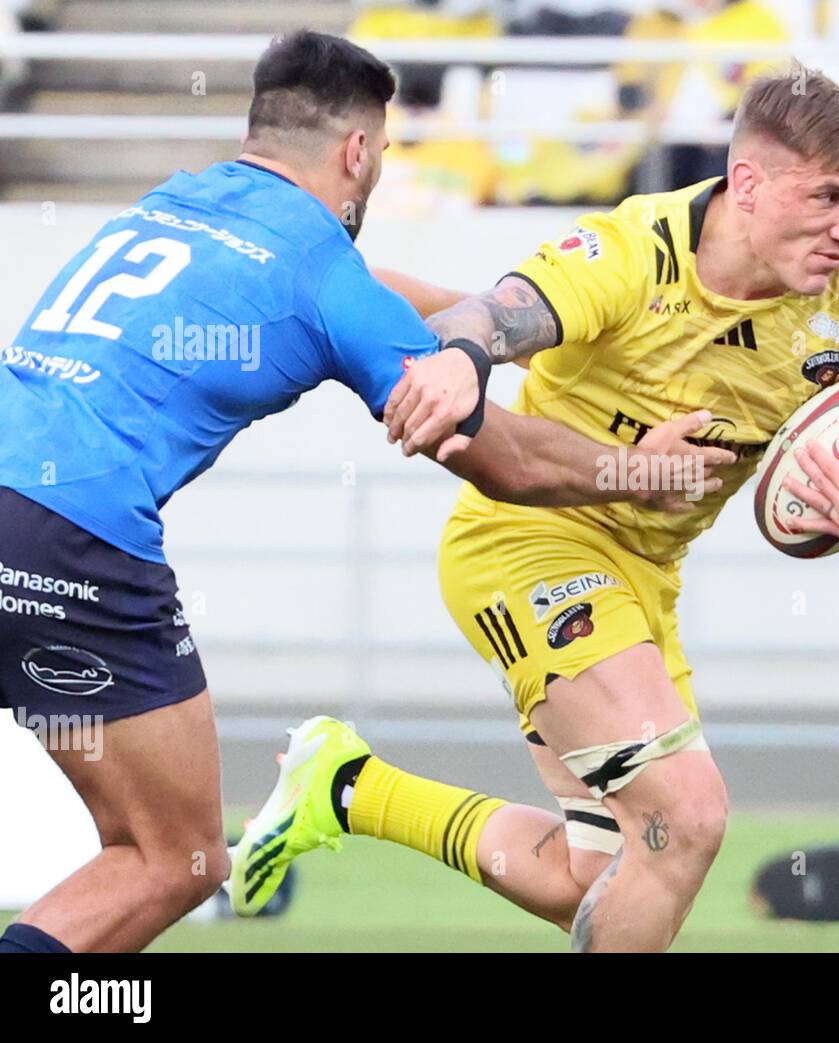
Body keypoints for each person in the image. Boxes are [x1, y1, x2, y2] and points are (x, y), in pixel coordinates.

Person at [0, 30, 728, 955]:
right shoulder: (320, 270)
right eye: (379, 157)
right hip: (70, 541)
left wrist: (543, 319)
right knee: (172, 856)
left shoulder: (178, 202)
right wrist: (646, 470)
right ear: (357, 152)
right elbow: (501, 459)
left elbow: (368, 294)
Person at [236, 62, 839, 953]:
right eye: (828, 198)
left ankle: (346, 787)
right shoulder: (632, 252)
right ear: (748, 183)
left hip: (648, 579)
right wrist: (465, 359)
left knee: (599, 872)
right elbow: (495, 315)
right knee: (687, 816)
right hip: (528, 542)